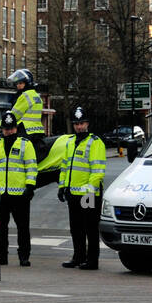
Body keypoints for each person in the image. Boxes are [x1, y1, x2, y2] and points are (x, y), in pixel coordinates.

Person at [51, 105, 107, 269]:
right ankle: (78, 256)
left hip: (88, 194)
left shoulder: (95, 143)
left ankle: (92, 260)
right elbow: (65, 166)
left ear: (87, 123)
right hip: (72, 192)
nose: (79, 126)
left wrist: (88, 190)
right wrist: (62, 187)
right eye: (76, 124)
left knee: (90, 227)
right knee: (76, 227)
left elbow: (98, 171)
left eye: (82, 123)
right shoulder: (70, 143)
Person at [0, 110, 38, 266]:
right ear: (2, 129)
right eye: (6, 128)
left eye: (12, 128)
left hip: (20, 193)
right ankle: (0, 257)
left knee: (23, 227)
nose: (9, 131)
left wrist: (30, 186)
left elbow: (31, 167)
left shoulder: (25, 144)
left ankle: (24, 256)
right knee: (0, 227)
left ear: (16, 128)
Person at [8, 68, 47, 158]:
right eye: (17, 83)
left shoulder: (24, 96)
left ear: (27, 83)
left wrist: (1, 123)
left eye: (21, 83)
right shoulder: (37, 96)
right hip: (38, 132)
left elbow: (13, 116)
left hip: (24, 131)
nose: (18, 86)